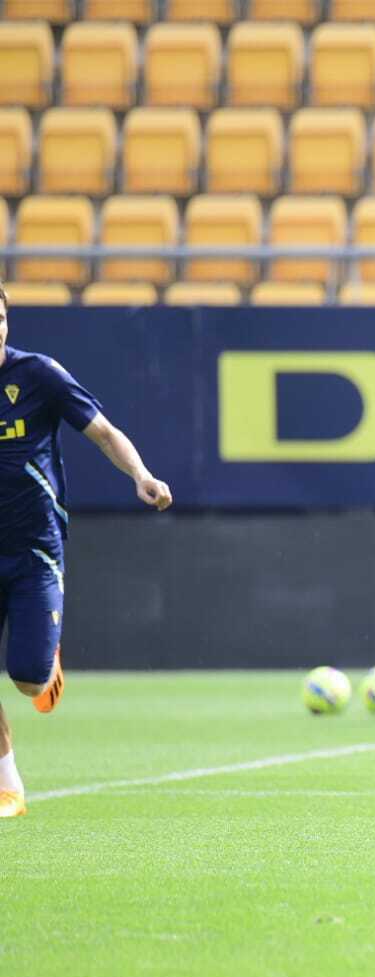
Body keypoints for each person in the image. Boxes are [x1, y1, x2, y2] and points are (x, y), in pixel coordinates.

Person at [0, 281, 174, 819]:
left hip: (34, 552)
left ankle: (44, 656)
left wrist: (140, 474)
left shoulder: (37, 375)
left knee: (27, 678)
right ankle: (9, 787)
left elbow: (103, 432)